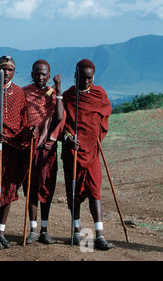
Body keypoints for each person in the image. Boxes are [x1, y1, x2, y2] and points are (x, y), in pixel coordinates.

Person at [0, 55, 34, 250]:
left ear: (14, 72)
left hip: (12, 149)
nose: (6, 73)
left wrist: (30, 132)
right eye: (3, 69)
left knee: (8, 190)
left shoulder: (19, 93)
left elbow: (23, 121)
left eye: (10, 70)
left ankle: (1, 231)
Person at [61, 59, 114, 250]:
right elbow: (62, 123)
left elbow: (106, 113)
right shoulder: (68, 96)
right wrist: (67, 137)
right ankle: (78, 233)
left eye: (89, 78)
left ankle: (99, 235)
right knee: (74, 192)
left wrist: (98, 132)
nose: (86, 82)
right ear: (76, 75)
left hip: (92, 151)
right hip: (72, 152)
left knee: (94, 190)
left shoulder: (99, 93)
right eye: (83, 78)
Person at [22, 59, 64, 245]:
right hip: (29, 147)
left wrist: (51, 139)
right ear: (32, 74)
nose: (40, 77)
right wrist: (28, 133)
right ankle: (32, 229)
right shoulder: (23, 93)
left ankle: (44, 229)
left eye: (44, 74)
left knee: (46, 187)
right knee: (31, 188)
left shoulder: (54, 95)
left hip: (48, 149)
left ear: (49, 75)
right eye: (37, 73)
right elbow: (20, 117)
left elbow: (60, 117)